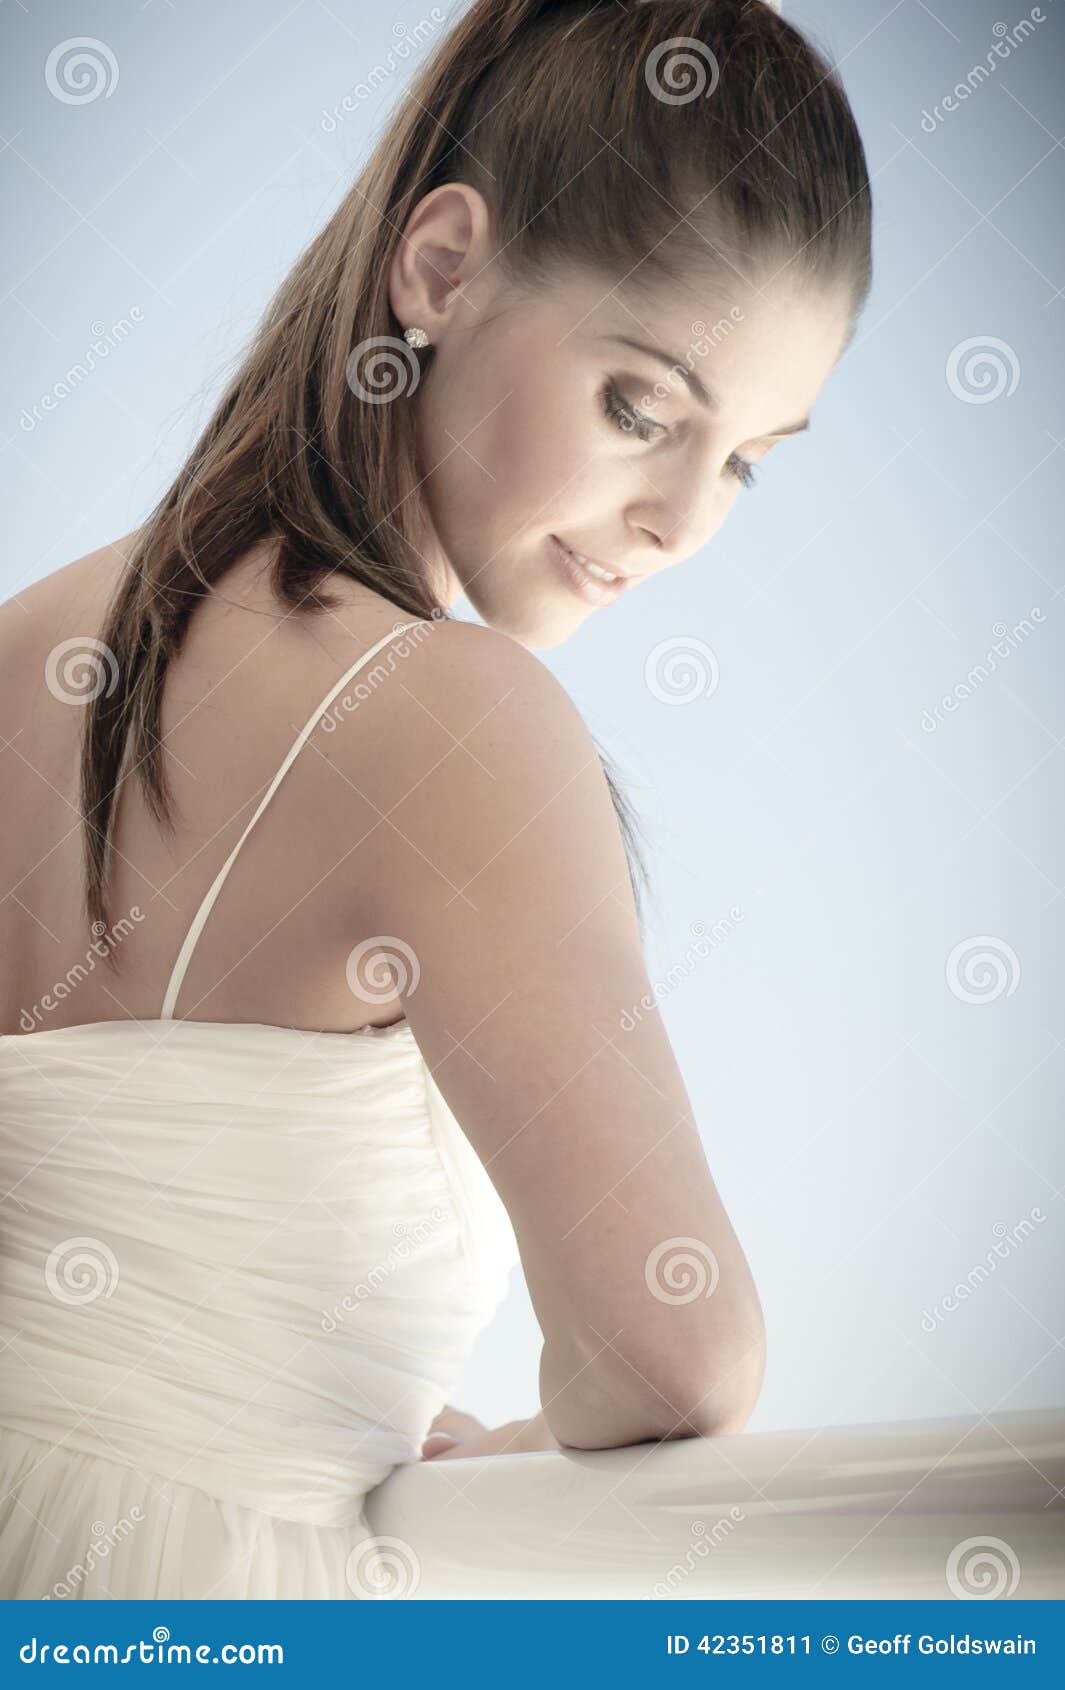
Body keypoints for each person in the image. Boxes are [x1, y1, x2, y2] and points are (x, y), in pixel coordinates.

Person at [0, 0, 871, 1598]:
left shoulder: (25, 644)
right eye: (642, 408)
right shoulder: (452, 717)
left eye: (745, 459)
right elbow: (679, 1352)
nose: (681, 518)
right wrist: (490, 1450)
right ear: (441, 267)